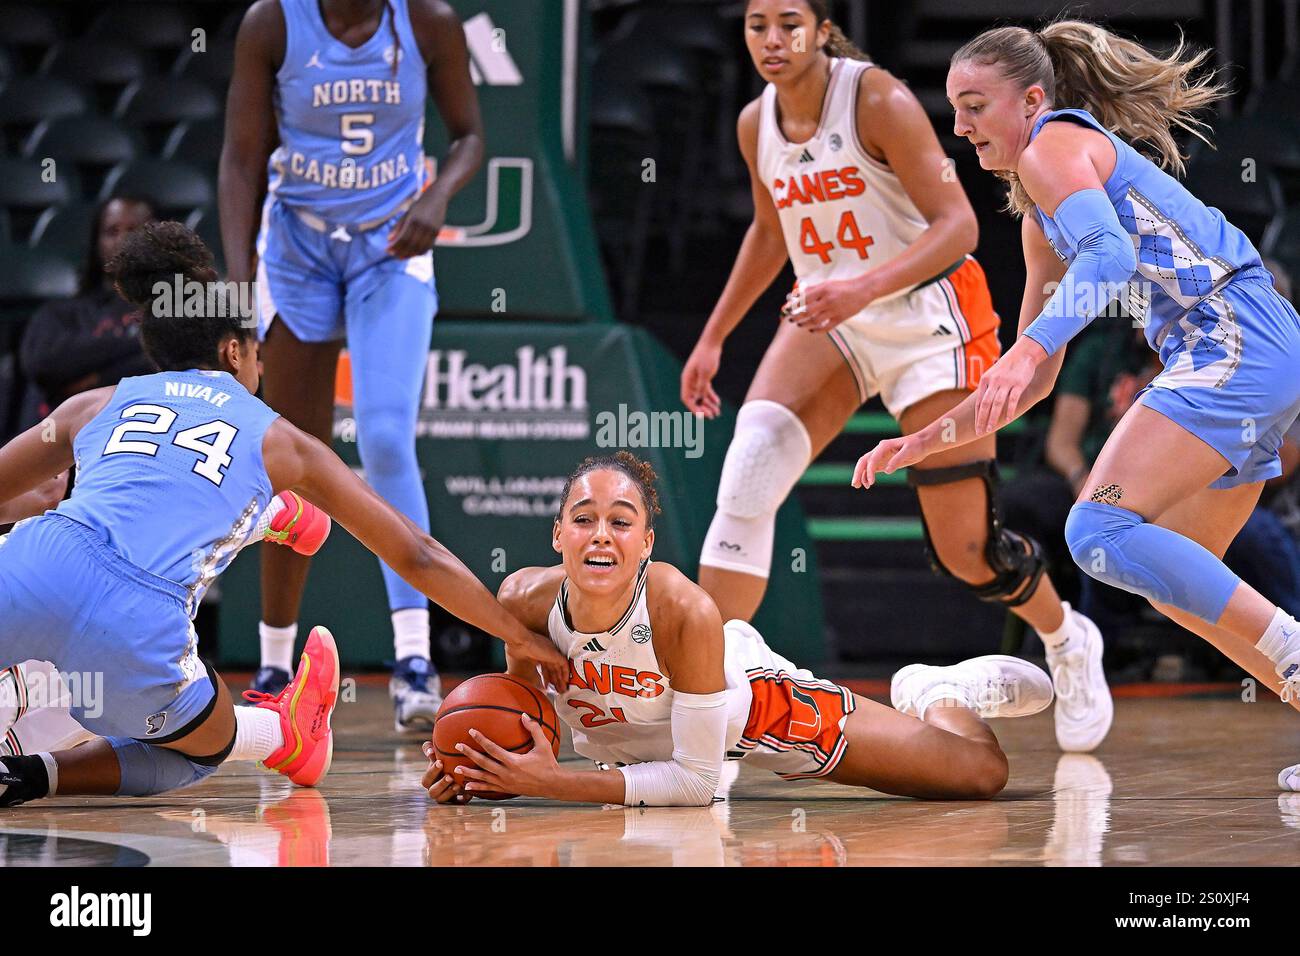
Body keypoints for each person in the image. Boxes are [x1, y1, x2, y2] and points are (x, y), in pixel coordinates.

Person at [854, 21, 1300, 792]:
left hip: (1231, 336)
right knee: (1180, 581)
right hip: (1258, 347)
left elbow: (1111, 256)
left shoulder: (1053, 142)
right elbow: (1028, 385)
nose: (960, 126)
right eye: (953, 109)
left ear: (1032, 100)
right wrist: (927, 439)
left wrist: (1027, 348)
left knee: (1097, 530)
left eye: (975, 106)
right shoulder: (1042, 221)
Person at [0, 222, 566, 808]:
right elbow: (418, 555)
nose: (262, 369)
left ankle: (271, 520)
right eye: (258, 354)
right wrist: (517, 636)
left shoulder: (93, 405)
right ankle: (30, 775)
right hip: (138, 620)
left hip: (37, 559)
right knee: (202, 750)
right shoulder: (282, 441)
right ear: (235, 352)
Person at [678, 0, 1111, 752]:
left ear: (822, 29)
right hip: (833, 315)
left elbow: (960, 226)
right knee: (748, 469)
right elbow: (770, 230)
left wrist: (861, 288)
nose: (773, 40)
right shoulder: (756, 124)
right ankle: (705, 703)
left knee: (968, 552)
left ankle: (1067, 637)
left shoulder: (875, 97)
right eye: (757, 25)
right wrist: (713, 336)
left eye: (789, 22)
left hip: (930, 319)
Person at [419, 451, 1056, 808]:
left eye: (621, 521)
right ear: (558, 535)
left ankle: (938, 692)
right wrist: (476, 762)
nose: (601, 536)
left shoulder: (680, 608)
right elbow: (527, 722)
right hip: (643, 754)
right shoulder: (523, 601)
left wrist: (554, 785)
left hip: (755, 710)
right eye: (584, 520)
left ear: (647, 543)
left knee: (979, 775)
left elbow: (697, 784)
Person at [221, 0, 485, 729]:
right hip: (297, 247)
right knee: (290, 457)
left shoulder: (427, 21)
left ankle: (414, 661)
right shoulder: (272, 23)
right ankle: (274, 662)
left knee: (386, 437)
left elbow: (470, 137)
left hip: (391, 244)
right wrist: (239, 290)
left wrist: (437, 196)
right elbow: (241, 158)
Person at [20, 195, 158, 414]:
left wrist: (96, 379)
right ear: (97, 243)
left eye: (134, 230)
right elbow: (42, 364)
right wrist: (140, 346)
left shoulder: (172, 309)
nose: (123, 239)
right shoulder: (61, 313)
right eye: (112, 231)